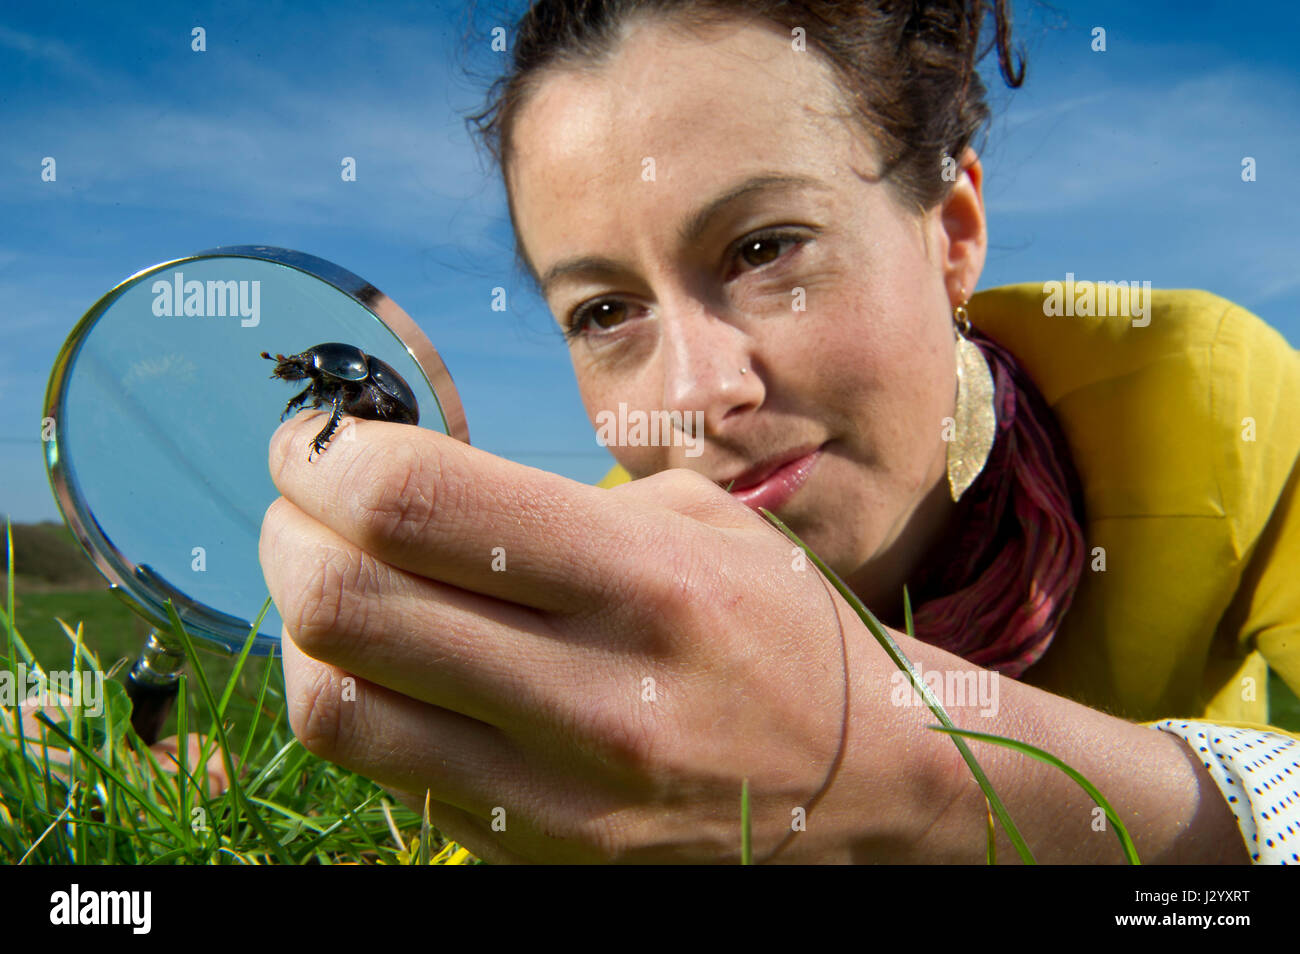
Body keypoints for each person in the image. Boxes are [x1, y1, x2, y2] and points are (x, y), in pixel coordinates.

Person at [260, 0, 1300, 863]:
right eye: (605, 312)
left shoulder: (1211, 399)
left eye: (765, 248)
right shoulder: (604, 605)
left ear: (952, 234)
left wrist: (919, 772)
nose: (696, 392)